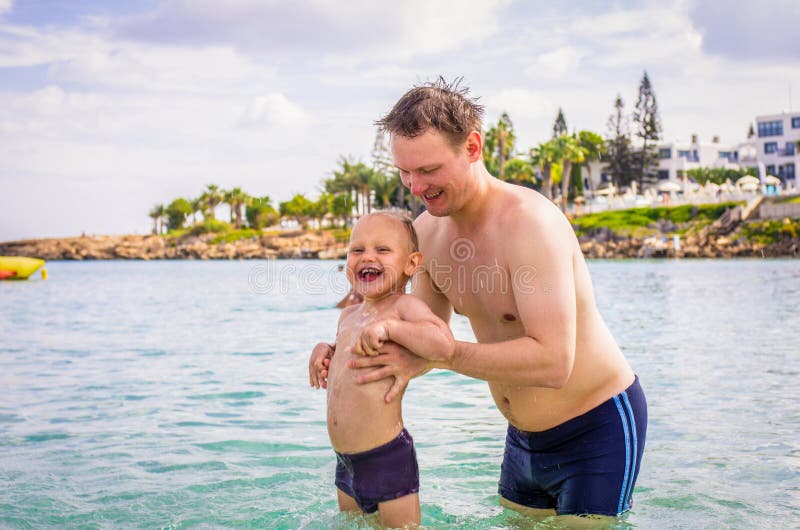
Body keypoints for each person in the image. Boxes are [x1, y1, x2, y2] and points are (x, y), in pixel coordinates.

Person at [342, 79, 648, 521]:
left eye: (428, 170)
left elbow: (553, 363)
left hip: (597, 427)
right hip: (522, 438)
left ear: (472, 146)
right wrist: (354, 357)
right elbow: (427, 335)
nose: (415, 186)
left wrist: (445, 355)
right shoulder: (426, 234)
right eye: (405, 172)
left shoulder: (530, 225)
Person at [309, 211, 454, 528]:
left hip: (386, 457)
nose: (367, 257)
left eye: (382, 250)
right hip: (346, 462)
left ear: (411, 264)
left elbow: (443, 344)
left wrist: (392, 328)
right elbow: (348, 357)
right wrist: (325, 352)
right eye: (357, 250)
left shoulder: (405, 308)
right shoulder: (349, 314)